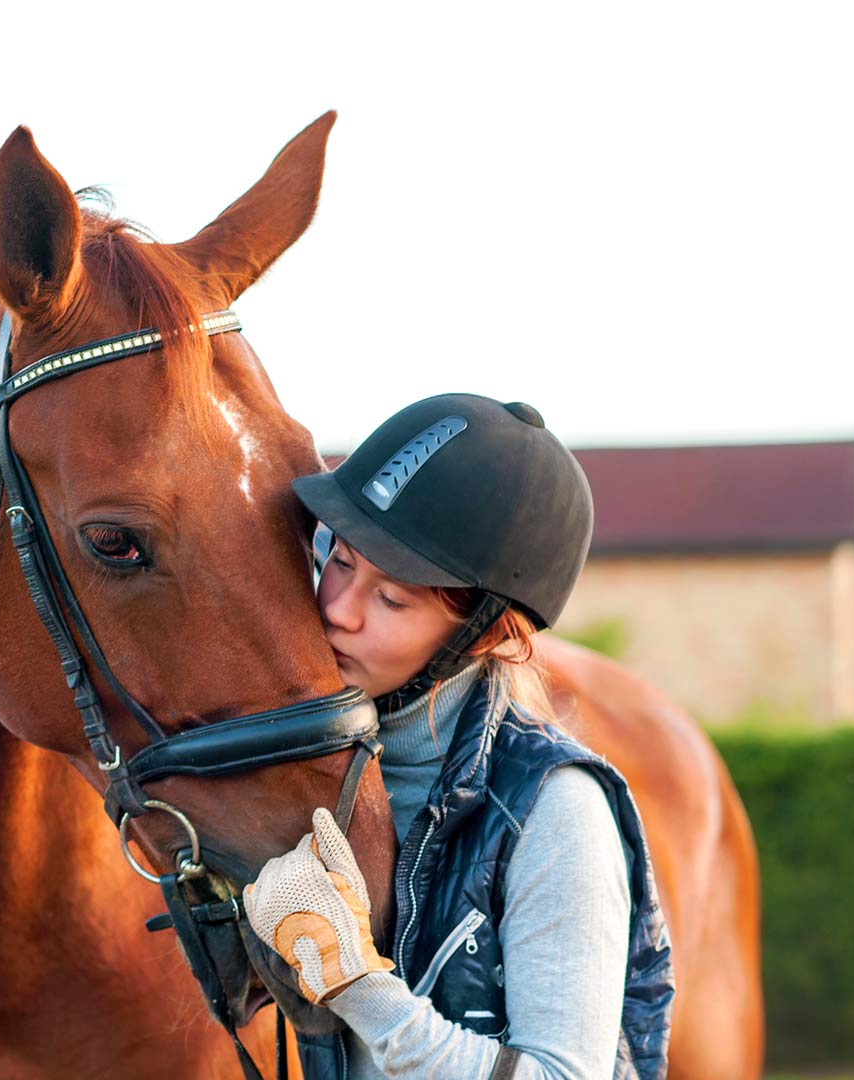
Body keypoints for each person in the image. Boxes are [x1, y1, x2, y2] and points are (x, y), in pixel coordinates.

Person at [242, 394, 676, 1079]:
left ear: (489, 636)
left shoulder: (555, 812)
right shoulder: (286, 758)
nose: (339, 612)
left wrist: (359, 987)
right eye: (343, 561)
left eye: (392, 599)